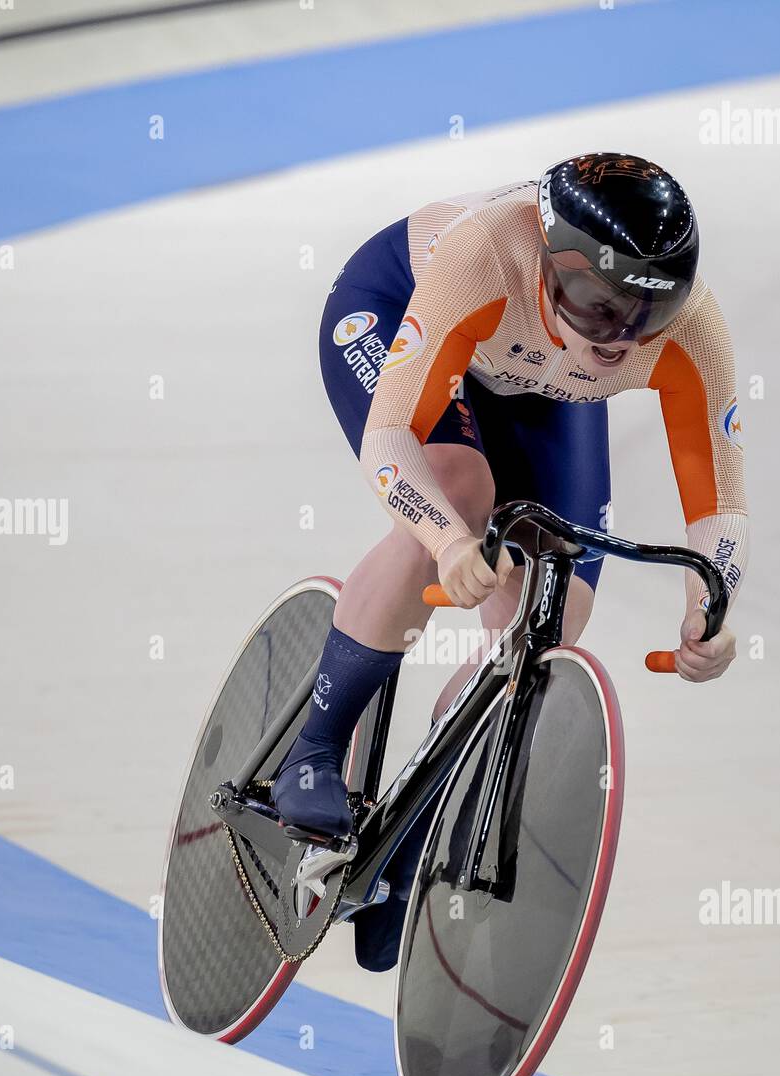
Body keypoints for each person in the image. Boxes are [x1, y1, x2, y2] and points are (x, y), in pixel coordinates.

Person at [274, 152, 748, 969]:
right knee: (458, 488)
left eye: (649, 311)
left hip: (536, 375)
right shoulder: (486, 253)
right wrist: (450, 541)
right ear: (553, 267)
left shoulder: (691, 329)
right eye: (601, 307)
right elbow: (390, 439)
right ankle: (313, 749)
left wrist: (711, 606)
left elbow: (719, 509)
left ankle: (417, 816)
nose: (623, 337)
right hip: (401, 312)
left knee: (550, 618)